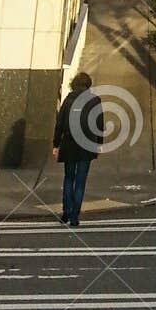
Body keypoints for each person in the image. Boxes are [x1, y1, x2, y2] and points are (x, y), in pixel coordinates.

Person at [52, 72, 103, 227]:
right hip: (87, 144)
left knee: (69, 178)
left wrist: (56, 145)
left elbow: (60, 123)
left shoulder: (68, 100)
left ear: (74, 84)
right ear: (88, 85)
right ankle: (75, 216)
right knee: (80, 180)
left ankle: (66, 211)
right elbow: (99, 123)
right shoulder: (95, 100)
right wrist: (99, 143)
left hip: (69, 143)